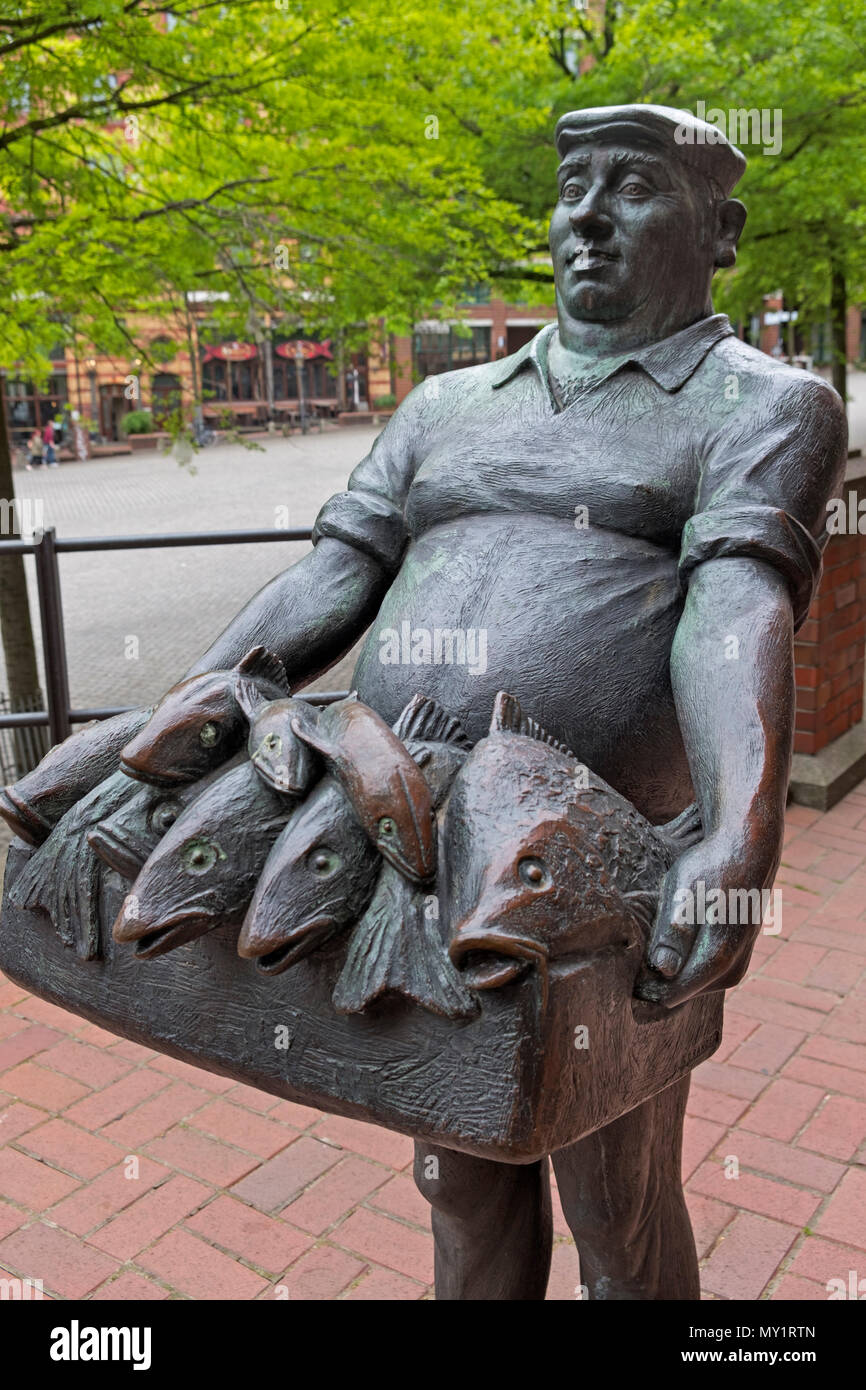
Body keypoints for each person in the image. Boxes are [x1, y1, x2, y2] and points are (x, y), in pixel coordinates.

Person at [3, 104, 848, 1298]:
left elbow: (734, 606)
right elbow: (335, 570)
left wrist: (735, 825)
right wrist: (215, 683)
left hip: (588, 857)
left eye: (633, 189)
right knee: (457, 1171)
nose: (587, 219)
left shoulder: (764, 404)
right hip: (396, 827)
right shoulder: (446, 406)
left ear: (719, 230)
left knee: (614, 1195)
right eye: (570, 191)